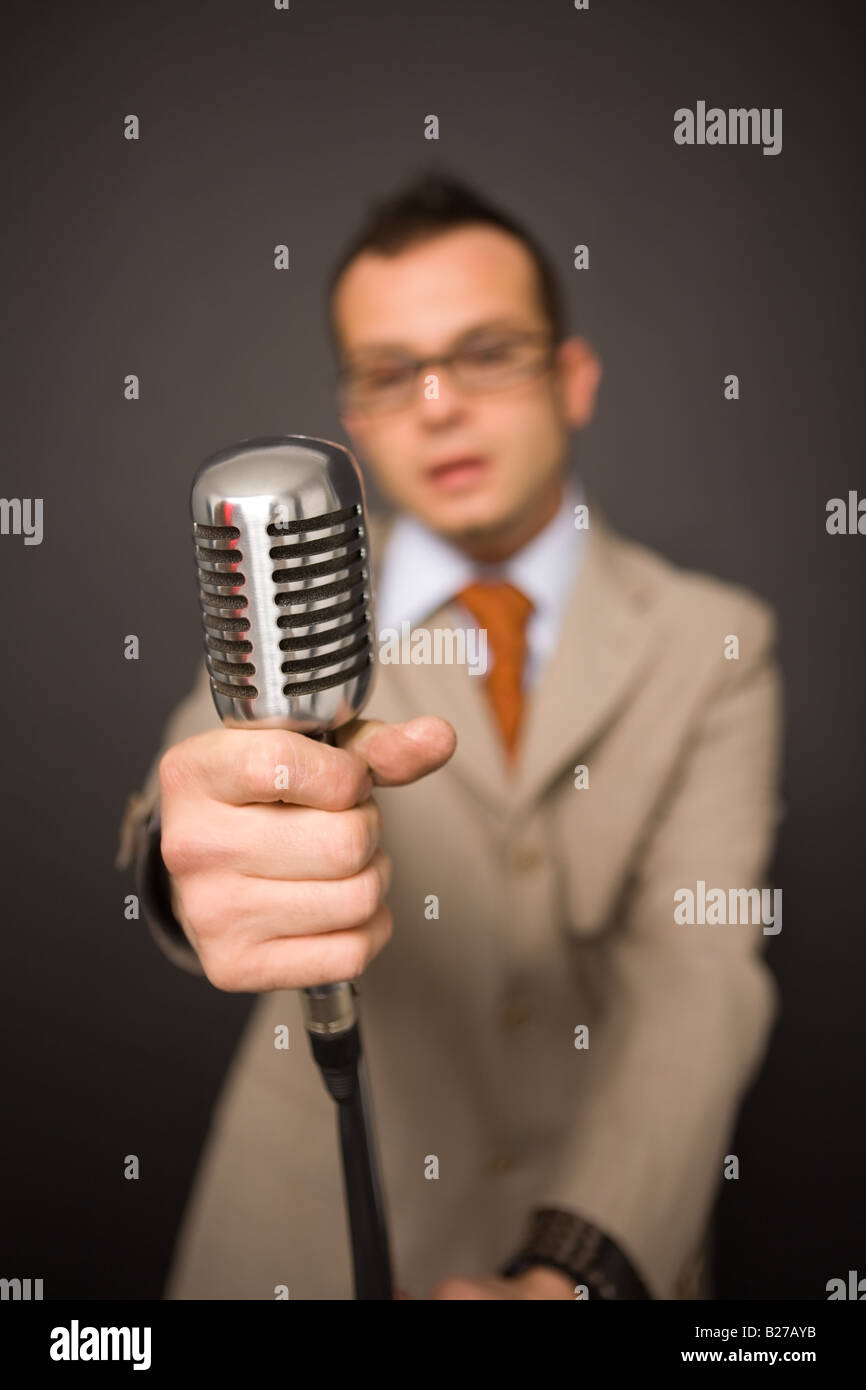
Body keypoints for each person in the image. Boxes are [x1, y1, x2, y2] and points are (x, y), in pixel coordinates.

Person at [116, 172, 784, 1301]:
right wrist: (186, 869)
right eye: (390, 372)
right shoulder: (288, 628)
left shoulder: (713, 641)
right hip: (296, 1254)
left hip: (603, 1244)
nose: (436, 404)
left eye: (484, 353)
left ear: (570, 379)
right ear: (356, 424)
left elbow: (698, 975)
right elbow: (193, 784)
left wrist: (577, 1270)